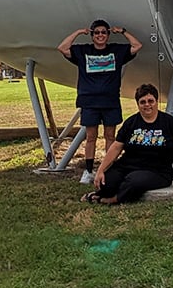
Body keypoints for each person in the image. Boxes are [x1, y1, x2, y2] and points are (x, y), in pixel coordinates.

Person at [82, 83, 173, 204]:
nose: (147, 105)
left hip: (157, 171)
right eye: (143, 102)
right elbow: (116, 147)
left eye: (150, 101)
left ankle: (113, 200)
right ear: (138, 104)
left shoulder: (169, 122)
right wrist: (101, 170)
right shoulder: (131, 122)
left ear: (156, 101)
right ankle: (100, 194)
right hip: (127, 166)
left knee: (133, 182)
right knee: (107, 182)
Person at [57, 19, 142, 184]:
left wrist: (123, 31)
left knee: (110, 135)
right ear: (92, 35)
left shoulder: (116, 51)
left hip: (110, 101)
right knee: (91, 136)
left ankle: (108, 168)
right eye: (97, 33)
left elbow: (137, 46)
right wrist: (78, 33)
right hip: (89, 101)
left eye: (104, 32)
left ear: (108, 35)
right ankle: (88, 171)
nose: (100, 35)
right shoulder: (83, 51)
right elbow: (62, 48)